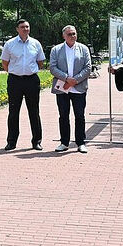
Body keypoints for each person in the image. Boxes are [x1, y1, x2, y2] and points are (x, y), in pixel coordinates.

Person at [1, 20, 46, 151]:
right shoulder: (10, 44)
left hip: (32, 80)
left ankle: (36, 141)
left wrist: (28, 71)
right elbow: (5, 62)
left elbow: (40, 61)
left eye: (27, 26)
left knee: (34, 111)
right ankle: (11, 141)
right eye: (22, 27)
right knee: (13, 112)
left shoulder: (35, 43)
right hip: (15, 81)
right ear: (17, 29)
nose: (25, 29)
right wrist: (15, 71)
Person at [48, 25, 91, 153]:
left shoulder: (83, 49)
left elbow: (88, 68)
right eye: (69, 34)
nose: (72, 36)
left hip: (79, 88)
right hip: (63, 88)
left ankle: (80, 143)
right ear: (64, 36)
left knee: (79, 116)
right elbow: (53, 68)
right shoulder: (56, 50)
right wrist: (67, 78)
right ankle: (64, 142)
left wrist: (75, 80)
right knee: (63, 116)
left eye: (74, 34)